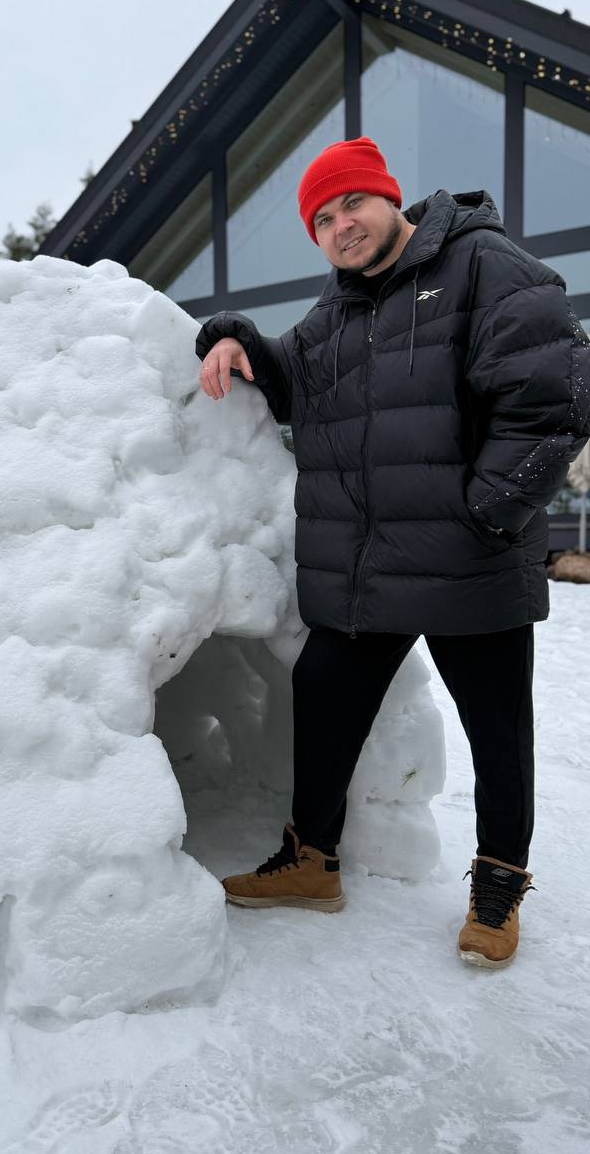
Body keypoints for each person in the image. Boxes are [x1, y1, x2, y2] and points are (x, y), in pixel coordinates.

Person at [195, 135, 590, 968]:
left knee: (499, 732)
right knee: (320, 690)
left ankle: (498, 883)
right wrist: (230, 336)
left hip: (468, 562)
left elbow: (552, 400)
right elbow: (290, 378)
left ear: (390, 198)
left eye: (353, 206)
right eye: (323, 219)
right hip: (370, 571)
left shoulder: (486, 266)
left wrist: (484, 514)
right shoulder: (336, 312)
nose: (342, 227)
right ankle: (312, 860)